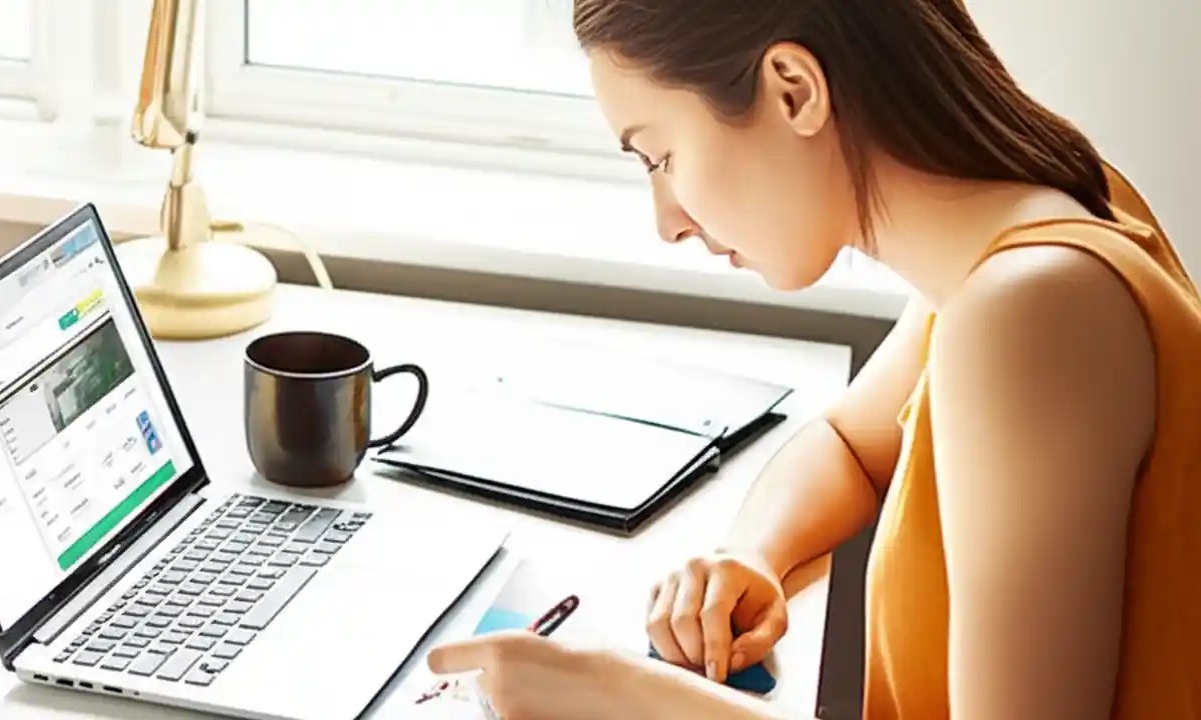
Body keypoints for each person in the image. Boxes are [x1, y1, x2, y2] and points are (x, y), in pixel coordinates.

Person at [426, 1, 1201, 718]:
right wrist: (752, 554)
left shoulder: (1031, 310)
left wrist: (622, 699)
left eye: (660, 157)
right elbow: (852, 448)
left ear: (794, 90)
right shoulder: (1027, 232)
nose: (667, 222)